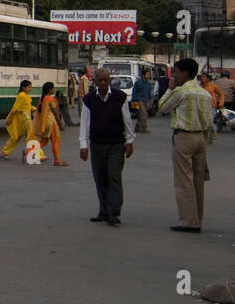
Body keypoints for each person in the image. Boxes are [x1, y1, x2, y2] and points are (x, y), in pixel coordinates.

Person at [156, 58, 212, 233]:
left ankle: (189, 221)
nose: (175, 76)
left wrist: (169, 90)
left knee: (184, 182)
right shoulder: (205, 94)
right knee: (197, 182)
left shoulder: (181, 92)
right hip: (200, 138)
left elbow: (162, 107)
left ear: (185, 74)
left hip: (184, 137)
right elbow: (208, 121)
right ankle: (198, 218)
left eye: (177, 72)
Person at [78, 68, 135, 226]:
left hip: (116, 144)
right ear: (94, 81)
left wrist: (129, 141)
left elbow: (127, 120)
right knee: (101, 178)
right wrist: (84, 145)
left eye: (105, 80)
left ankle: (113, 212)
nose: (102, 83)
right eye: (99, 80)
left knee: (114, 176)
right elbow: (85, 123)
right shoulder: (89, 99)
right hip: (97, 145)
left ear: (109, 80)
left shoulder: (119, 97)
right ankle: (103, 210)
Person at [0, 80, 34, 160]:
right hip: (25, 120)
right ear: (23, 87)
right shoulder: (22, 95)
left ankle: (5, 152)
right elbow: (16, 108)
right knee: (31, 136)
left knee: (16, 137)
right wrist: (10, 119)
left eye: (30, 87)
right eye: (29, 87)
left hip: (24, 119)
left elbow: (27, 106)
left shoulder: (24, 95)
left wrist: (35, 109)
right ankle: (37, 154)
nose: (30, 89)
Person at [35, 81, 68, 166]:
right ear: (50, 90)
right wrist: (60, 124)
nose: (54, 89)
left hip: (45, 122)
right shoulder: (50, 99)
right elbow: (55, 113)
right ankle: (57, 161)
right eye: (53, 88)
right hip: (51, 122)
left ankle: (28, 150)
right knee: (56, 141)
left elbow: (38, 111)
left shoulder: (42, 98)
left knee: (44, 141)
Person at [198, 72, 224, 144]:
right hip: (202, 106)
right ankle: (208, 139)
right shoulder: (199, 86)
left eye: (203, 77)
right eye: (201, 77)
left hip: (212, 106)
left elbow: (221, 93)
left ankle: (215, 131)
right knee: (204, 123)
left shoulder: (212, 86)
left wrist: (221, 103)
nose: (202, 78)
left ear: (207, 78)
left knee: (210, 122)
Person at [131, 70, 153, 134]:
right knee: (144, 114)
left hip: (146, 100)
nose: (148, 76)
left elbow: (149, 91)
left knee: (141, 115)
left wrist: (151, 98)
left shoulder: (148, 83)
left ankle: (138, 127)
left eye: (149, 75)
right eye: (147, 75)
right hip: (139, 100)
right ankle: (144, 128)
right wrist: (134, 100)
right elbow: (134, 91)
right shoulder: (138, 83)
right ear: (143, 75)